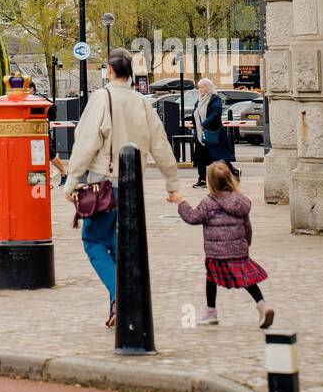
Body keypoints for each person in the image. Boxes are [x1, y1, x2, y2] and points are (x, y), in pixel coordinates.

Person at [64, 48, 181, 328]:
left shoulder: (101, 99)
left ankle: (120, 297)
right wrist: (172, 184)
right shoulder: (143, 103)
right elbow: (161, 144)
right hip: (133, 189)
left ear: (110, 69)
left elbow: (86, 142)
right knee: (120, 248)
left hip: (104, 184)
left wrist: (71, 181)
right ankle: (118, 308)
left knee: (93, 242)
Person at [177, 161, 273, 328]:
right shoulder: (241, 202)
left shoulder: (209, 202)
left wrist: (181, 202)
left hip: (216, 252)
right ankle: (262, 305)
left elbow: (192, 218)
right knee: (247, 280)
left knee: (211, 278)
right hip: (238, 250)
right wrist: (246, 244)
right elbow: (247, 226)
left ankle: (210, 311)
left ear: (210, 183)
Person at [193, 77, 239, 183]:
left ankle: (234, 172)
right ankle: (202, 179)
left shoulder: (214, 99)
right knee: (200, 157)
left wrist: (205, 124)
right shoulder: (199, 101)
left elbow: (216, 114)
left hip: (213, 133)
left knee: (219, 157)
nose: (199, 89)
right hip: (200, 133)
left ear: (208, 88)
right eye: (199, 87)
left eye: (202, 87)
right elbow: (196, 114)